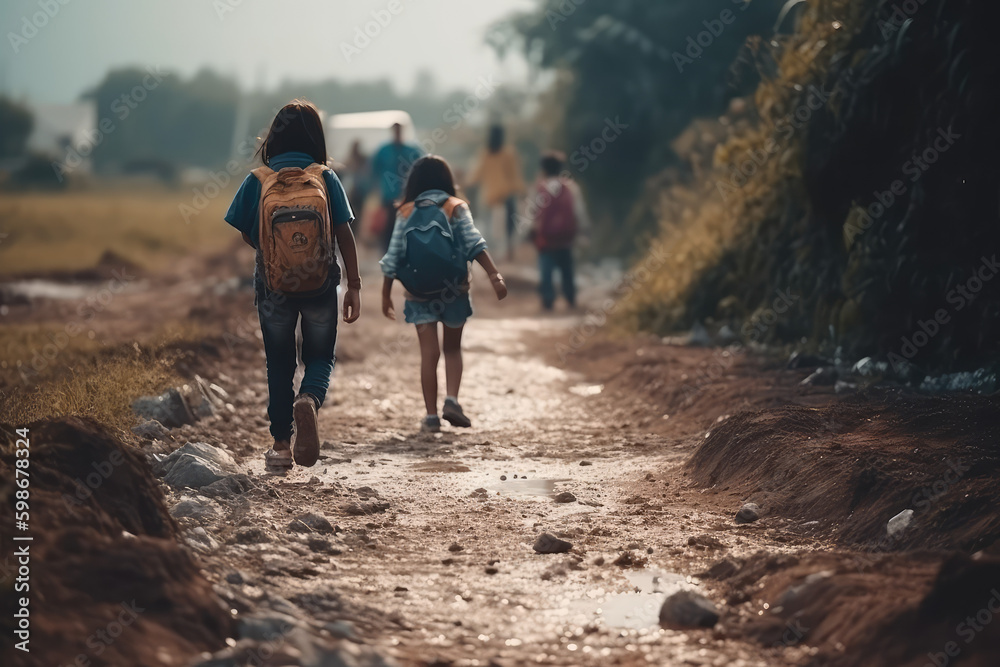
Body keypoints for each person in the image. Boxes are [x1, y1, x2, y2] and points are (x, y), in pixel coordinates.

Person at [224, 99, 362, 469]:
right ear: (316, 137)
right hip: (320, 286)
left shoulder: (258, 181)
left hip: (273, 288)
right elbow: (345, 234)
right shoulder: (325, 177)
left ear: (273, 137)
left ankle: (282, 445)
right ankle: (310, 401)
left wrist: (275, 250)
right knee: (320, 356)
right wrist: (354, 285)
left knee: (279, 363)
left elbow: (248, 234)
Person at [379, 155, 508, 432]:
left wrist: (385, 293)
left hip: (417, 292)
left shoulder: (405, 211)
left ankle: (430, 416)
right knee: (452, 349)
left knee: (429, 354)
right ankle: (451, 400)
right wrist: (494, 275)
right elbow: (474, 243)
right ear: (447, 181)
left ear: (414, 183)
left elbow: (393, 255)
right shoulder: (455, 206)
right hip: (455, 290)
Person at [531, 150, 588, 311]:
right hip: (566, 237)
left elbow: (532, 212)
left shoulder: (540, 188)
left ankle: (548, 298)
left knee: (546, 269)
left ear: (543, 169)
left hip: (546, 238)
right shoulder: (570, 187)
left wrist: (531, 232)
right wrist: (583, 229)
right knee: (567, 268)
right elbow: (579, 211)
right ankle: (570, 297)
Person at [468, 124, 525, 261]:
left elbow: (477, 174)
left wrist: (467, 182)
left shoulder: (485, 153)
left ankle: (486, 252)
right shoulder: (509, 152)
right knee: (510, 222)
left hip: (488, 195)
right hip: (506, 193)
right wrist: (522, 189)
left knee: (485, 223)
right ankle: (509, 249)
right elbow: (514, 174)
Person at [372, 122, 425, 251]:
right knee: (389, 227)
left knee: (408, 226)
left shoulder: (412, 150)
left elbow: (423, 168)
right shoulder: (384, 150)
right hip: (389, 196)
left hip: (409, 196)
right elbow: (374, 172)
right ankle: (388, 256)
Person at [343, 139, 371, 233]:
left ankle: (355, 233)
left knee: (357, 216)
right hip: (351, 193)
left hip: (359, 192)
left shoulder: (363, 160)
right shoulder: (349, 161)